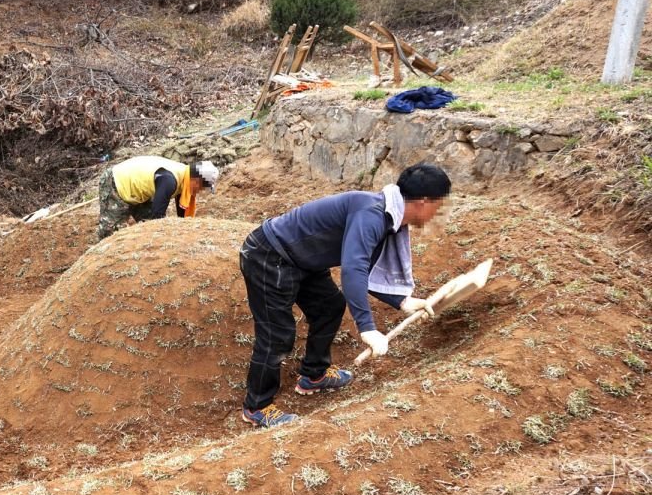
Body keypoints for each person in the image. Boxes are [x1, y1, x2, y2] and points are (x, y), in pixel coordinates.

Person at [239, 163, 452, 428]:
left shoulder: (388, 216)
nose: (437, 212)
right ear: (422, 202)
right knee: (277, 334)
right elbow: (354, 268)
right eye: (438, 205)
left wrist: (404, 302)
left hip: (303, 259)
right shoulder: (372, 214)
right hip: (271, 255)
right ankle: (257, 407)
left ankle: (313, 375)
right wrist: (367, 328)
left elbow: (369, 269)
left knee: (330, 306)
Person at [95, 156, 220, 240]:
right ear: (197, 181)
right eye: (203, 187)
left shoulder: (185, 177)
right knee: (110, 233)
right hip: (116, 181)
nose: (201, 191)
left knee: (148, 226)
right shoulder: (169, 181)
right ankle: (100, 261)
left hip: (139, 190)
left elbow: (182, 214)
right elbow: (157, 214)